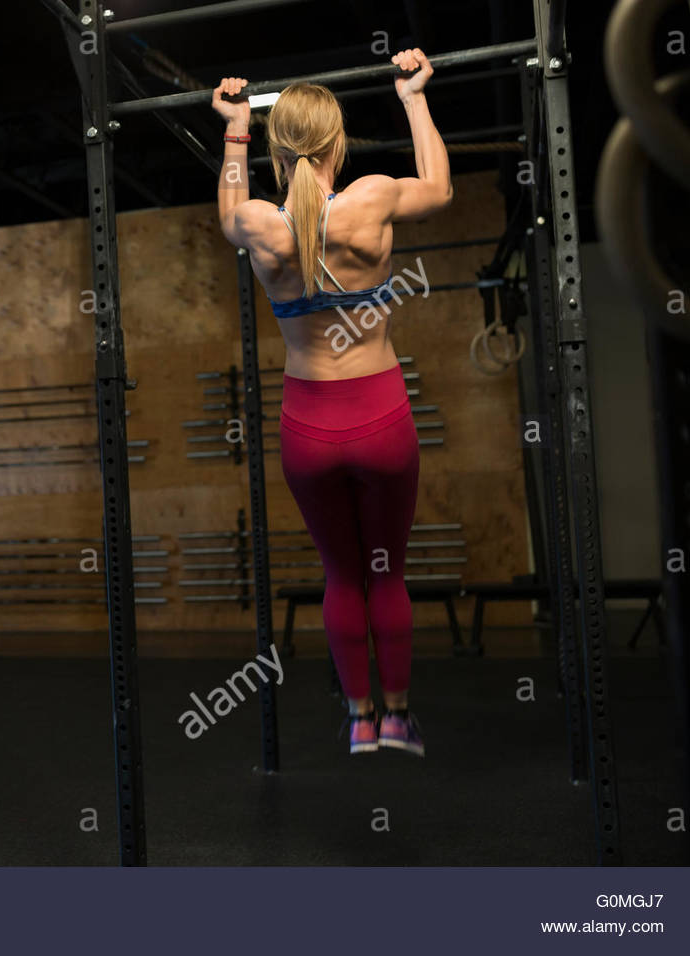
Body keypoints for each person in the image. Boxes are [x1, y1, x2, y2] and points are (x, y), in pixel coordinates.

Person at [212, 49, 452, 757]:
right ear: (337, 144)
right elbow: (438, 187)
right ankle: (400, 717)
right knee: (387, 571)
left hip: (308, 430)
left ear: (280, 150)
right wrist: (412, 97)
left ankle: (358, 719)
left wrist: (233, 128)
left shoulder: (260, 225)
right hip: (380, 417)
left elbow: (228, 211)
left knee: (343, 574)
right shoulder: (372, 198)